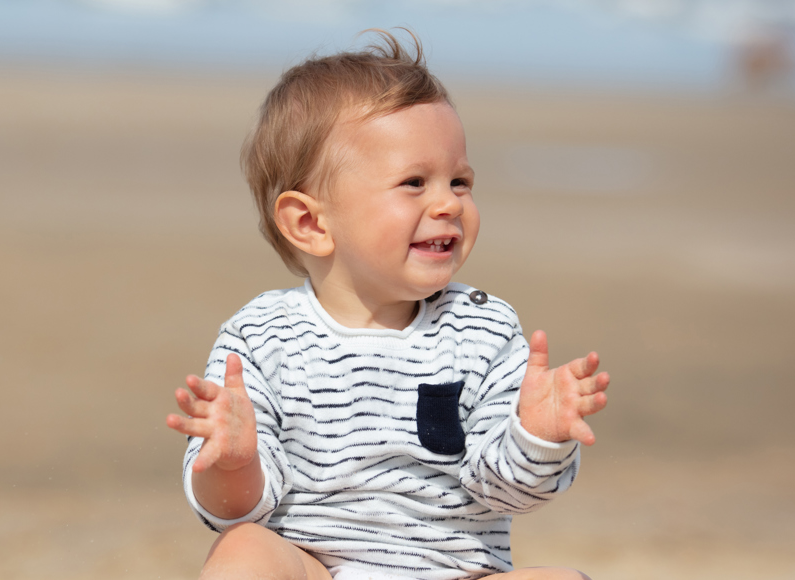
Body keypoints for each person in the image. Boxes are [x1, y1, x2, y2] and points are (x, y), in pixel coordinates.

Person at [165, 30, 610, 580]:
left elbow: (506, 492)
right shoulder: (261, 338)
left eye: (460, 181)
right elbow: (233, 511)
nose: (448, 203)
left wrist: (537, 436)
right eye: (414, 182)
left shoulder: (484, 330)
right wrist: (235, 462)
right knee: (244, 550)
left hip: (457, 571)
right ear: (310, 223)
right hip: (317, 571)